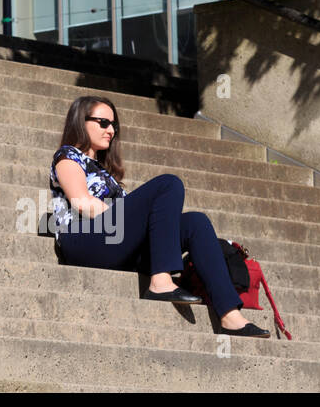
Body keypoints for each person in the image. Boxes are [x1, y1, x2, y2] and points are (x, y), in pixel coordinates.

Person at [48, 94, 269, 336]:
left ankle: (230, 316)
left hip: (114, 241)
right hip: (83, 240)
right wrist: (128, 216)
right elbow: (82, 203)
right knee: (168, 184)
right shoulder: (67, 156)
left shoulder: (105, 171)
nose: (111, 130)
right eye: (103, 123)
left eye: (114, 125)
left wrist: (132, 220)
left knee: (195, 222)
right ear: (81, 122)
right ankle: (161, 281)